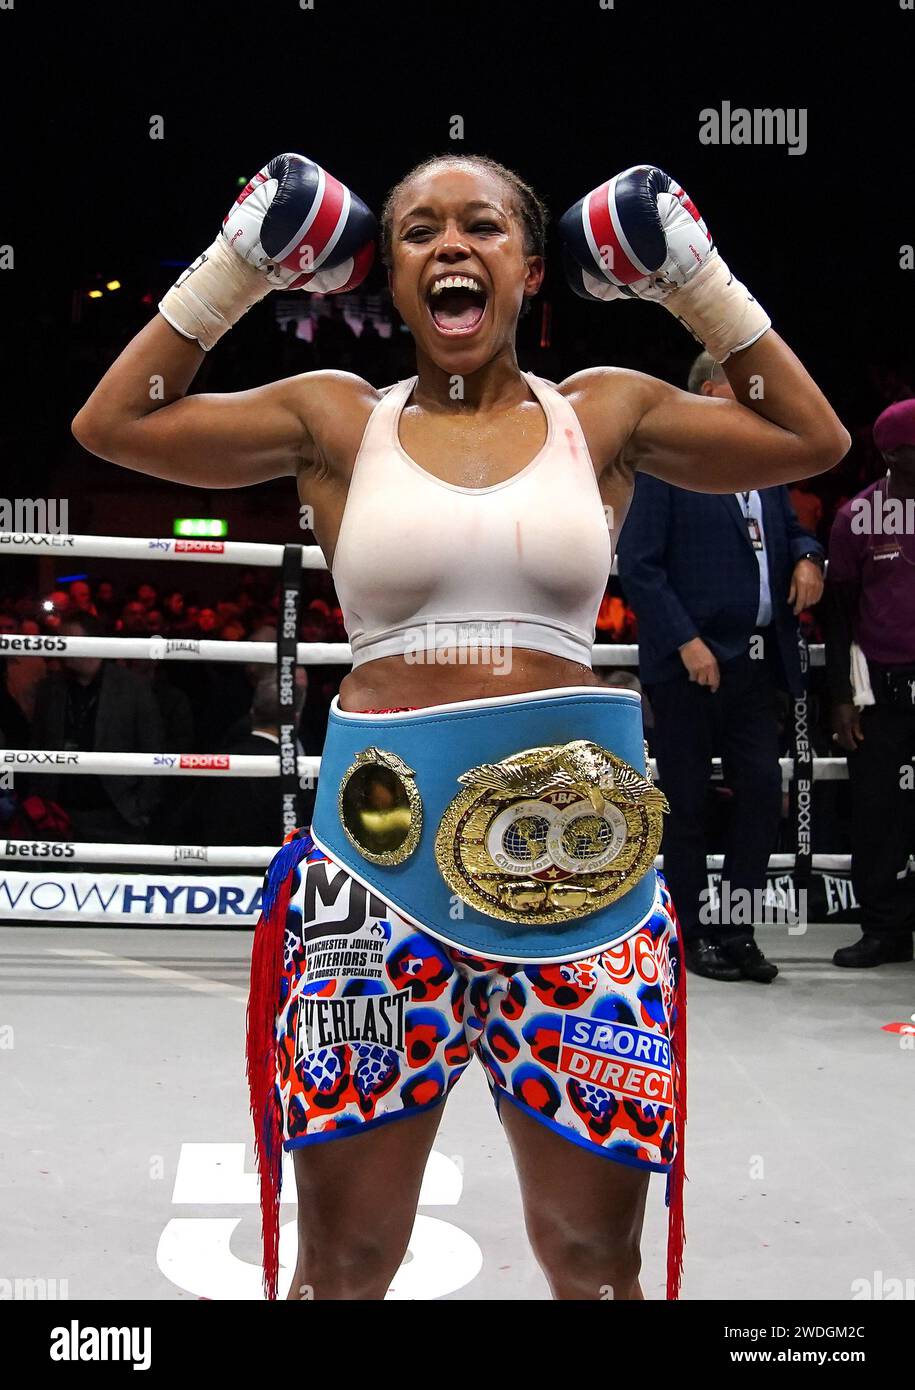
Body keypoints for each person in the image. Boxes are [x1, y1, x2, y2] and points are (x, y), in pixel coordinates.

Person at [72, 151, 848, 1301]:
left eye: (481, 226)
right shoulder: (333, 418)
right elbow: (112, 425)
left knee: (593, 1260)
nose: (451, 246)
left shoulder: (607, 411)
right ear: (387, 276)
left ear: (531, 270)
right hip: (376, 876)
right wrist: (236, 267)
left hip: (581, 876)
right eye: (420, 230)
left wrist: (694, 278)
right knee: (345, 1262)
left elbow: (811, 439)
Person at [617, 351, 826, 983]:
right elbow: (640, 564)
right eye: (746, 388)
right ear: (710, 392)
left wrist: (810, 558)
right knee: (684, 803)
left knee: (762, 792)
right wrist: (686, 641)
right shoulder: (665, 470)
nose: (759, 399)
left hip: (758, 663)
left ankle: (735, 931)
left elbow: (794, 532)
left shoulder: (763, 466)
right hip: (686, 666)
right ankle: (687, 936)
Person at [824, 398, 915, 967]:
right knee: (879, 812)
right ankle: (883, 928)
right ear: (896, 454)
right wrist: (840, 697)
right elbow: (837, 612)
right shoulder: (857, 515)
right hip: (883, 687)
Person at [29, 614, 165, 842]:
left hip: (117, 812)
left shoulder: (132, 687)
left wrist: (140, 807)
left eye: (69, 642)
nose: (62, 649)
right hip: (57, 813)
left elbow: (153, 746)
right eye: (60, 642)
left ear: (94, 642)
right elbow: (37, 743)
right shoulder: (50, 688)